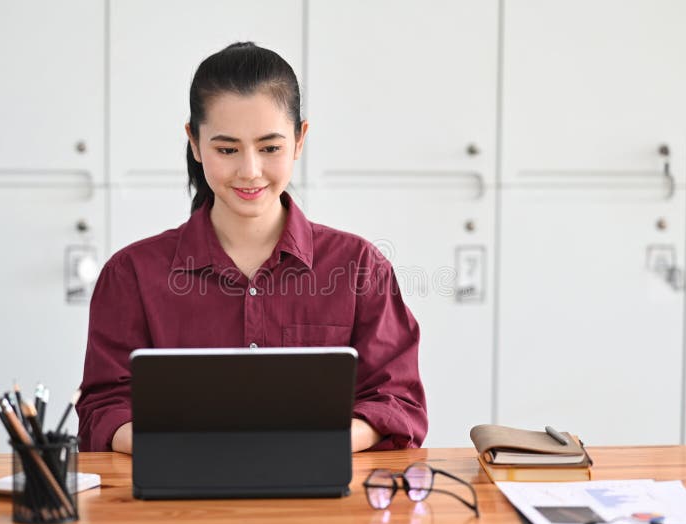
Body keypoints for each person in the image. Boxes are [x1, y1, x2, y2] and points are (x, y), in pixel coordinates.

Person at [76, 42, 427, 454]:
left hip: (324, 504)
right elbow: (103, 409)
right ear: (194, 141)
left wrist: (311, 445)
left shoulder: (359, 266)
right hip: (180, 502)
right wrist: (185, 449)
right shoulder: (131, 274)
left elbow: (398, 403)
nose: (249, 171)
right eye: (226, 150)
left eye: (270, 148)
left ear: (299, 140)